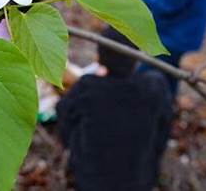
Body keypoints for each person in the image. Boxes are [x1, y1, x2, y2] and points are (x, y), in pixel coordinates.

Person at [56, 27, 173, 191]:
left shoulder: (88, 88)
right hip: (140, 179)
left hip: (91, 180)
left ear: (99, 58)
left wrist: (75, 147)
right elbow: (164, 128)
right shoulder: (154, 87)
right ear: (137, 58)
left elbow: (63, 115)